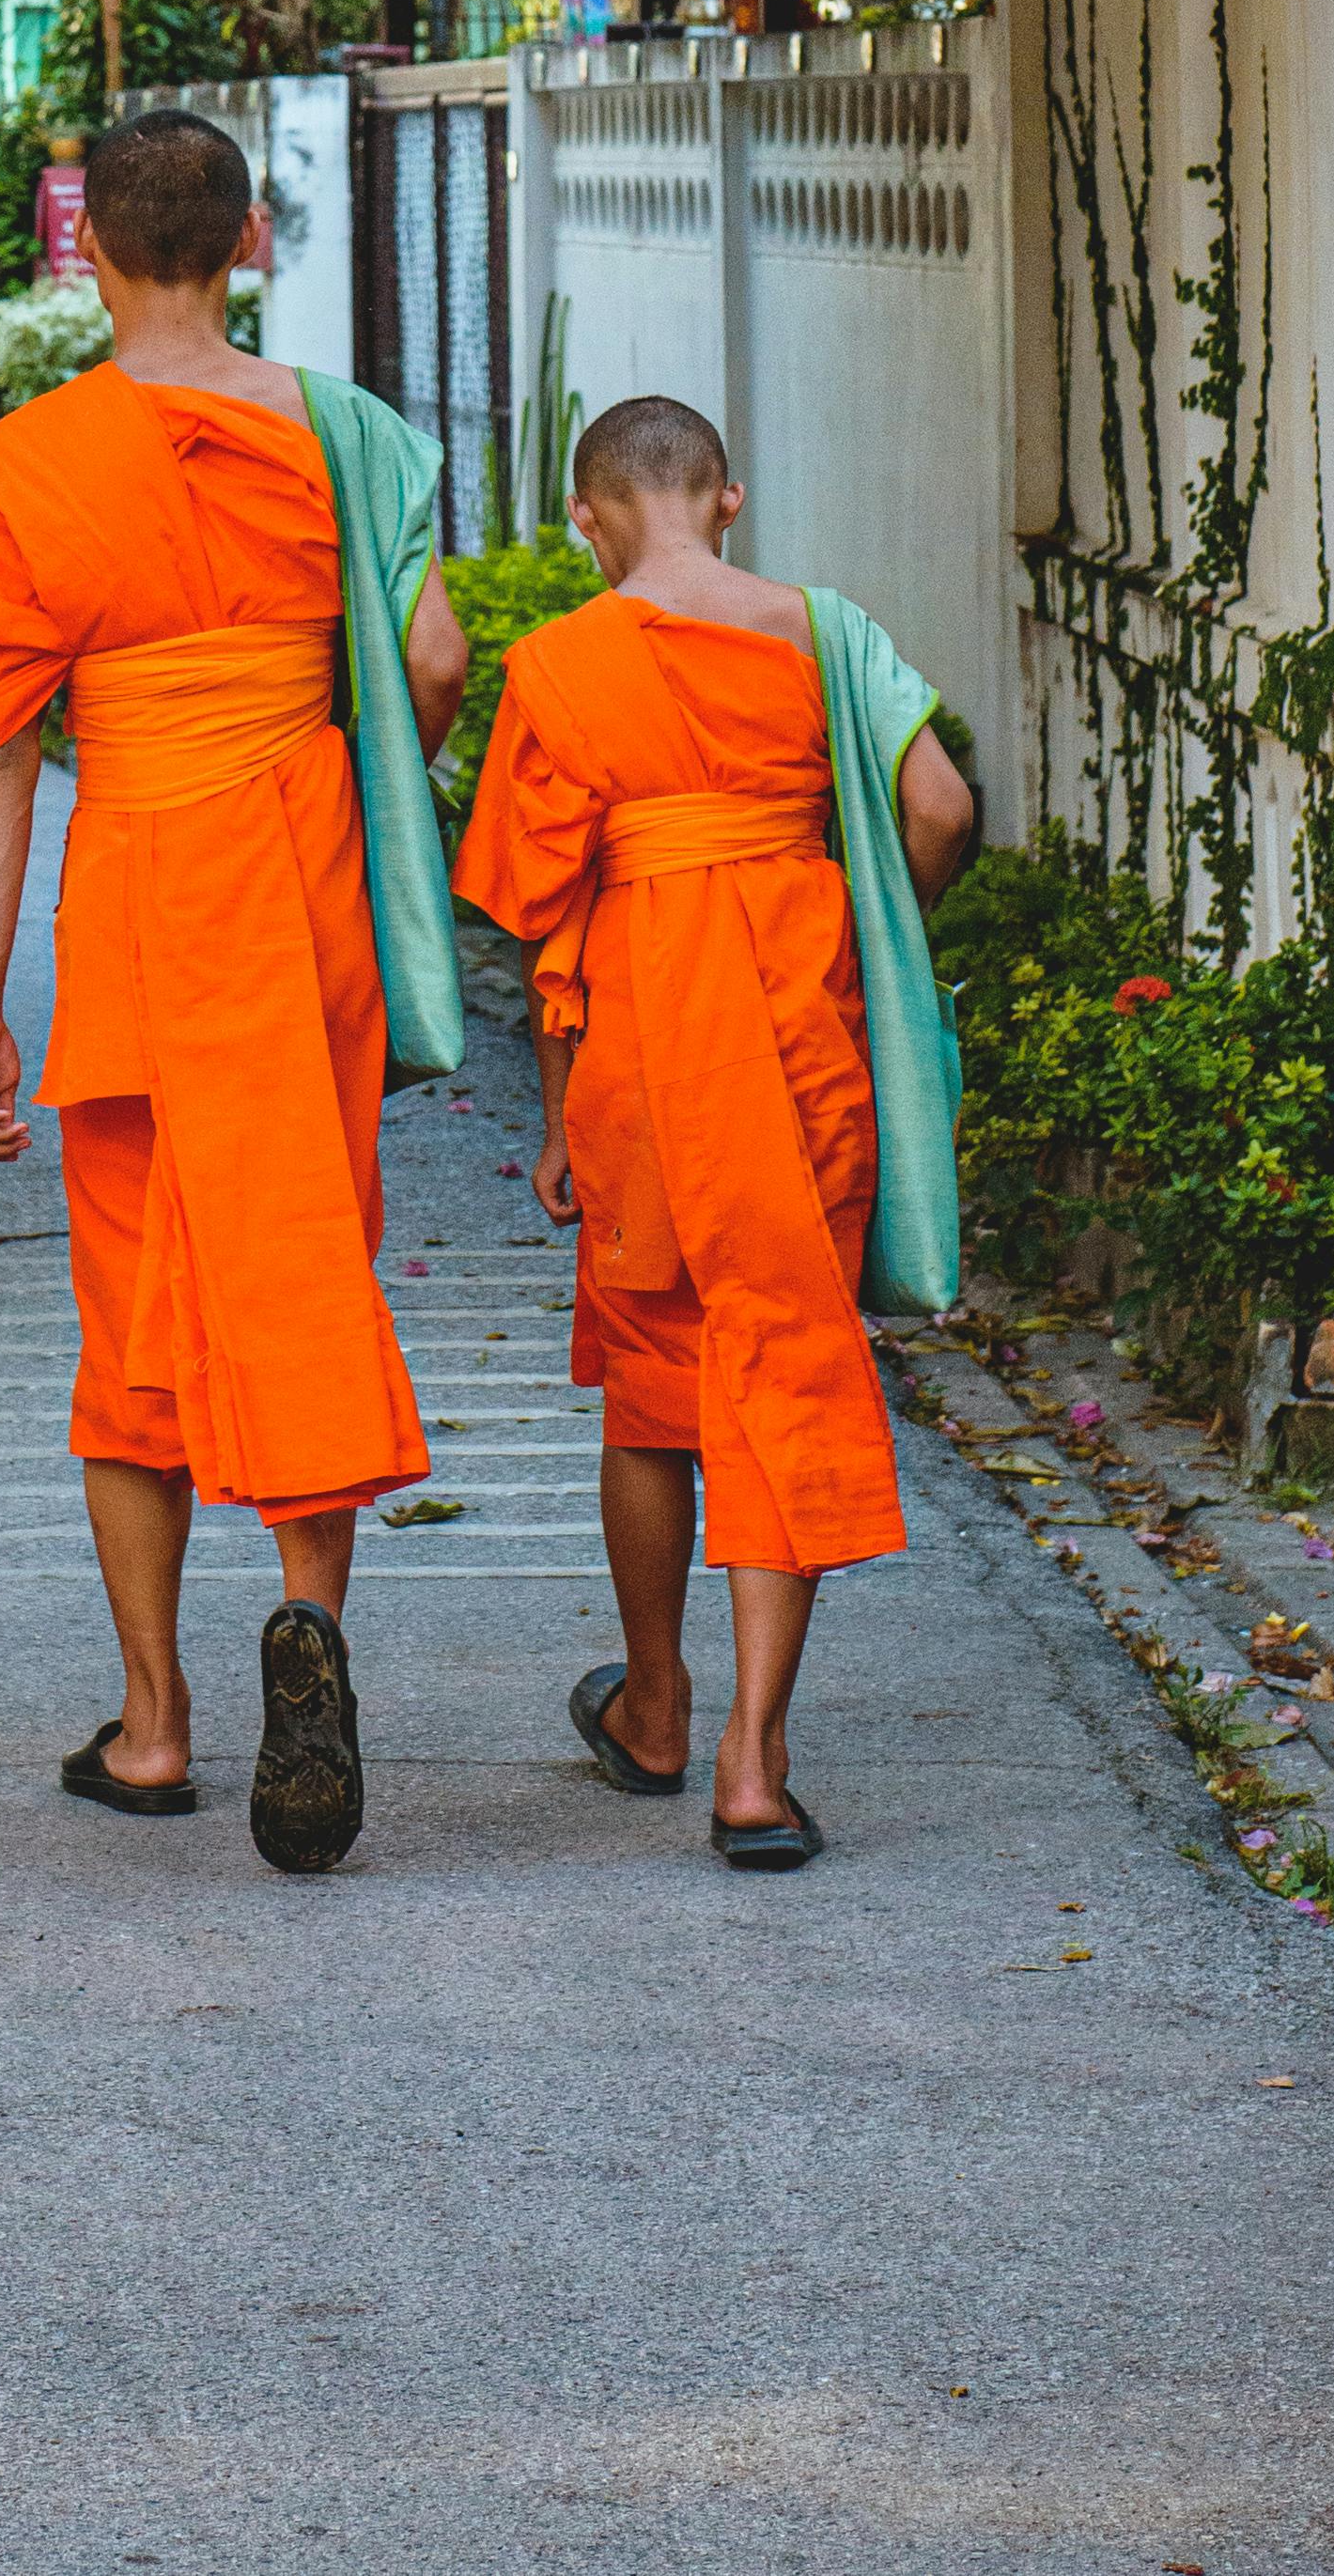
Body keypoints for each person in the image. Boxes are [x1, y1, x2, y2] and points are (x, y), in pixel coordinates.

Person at [0, 107, 471, 1875]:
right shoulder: (348, 437)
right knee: (298, 1245)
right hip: (302, 880)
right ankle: (305, 1624)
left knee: (132, 1302)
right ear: (250, 241)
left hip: (141, 891)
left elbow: (0, 749)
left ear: (88, 249)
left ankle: (155, 1723)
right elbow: (433, 659)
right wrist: (352, 761)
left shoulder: (25, 462)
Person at [455, 391, 972, 1874]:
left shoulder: (559, 665)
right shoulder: (820, 629)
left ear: (584, 518)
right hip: (799, 1041)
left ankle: (657, 1705)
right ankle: (758, 1756)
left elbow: (542, 922)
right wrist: (865, 925)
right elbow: (933, 806)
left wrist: (555, 1118)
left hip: (637, 1062)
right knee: (783, 1358)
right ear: (726, 498)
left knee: (650, 1382)